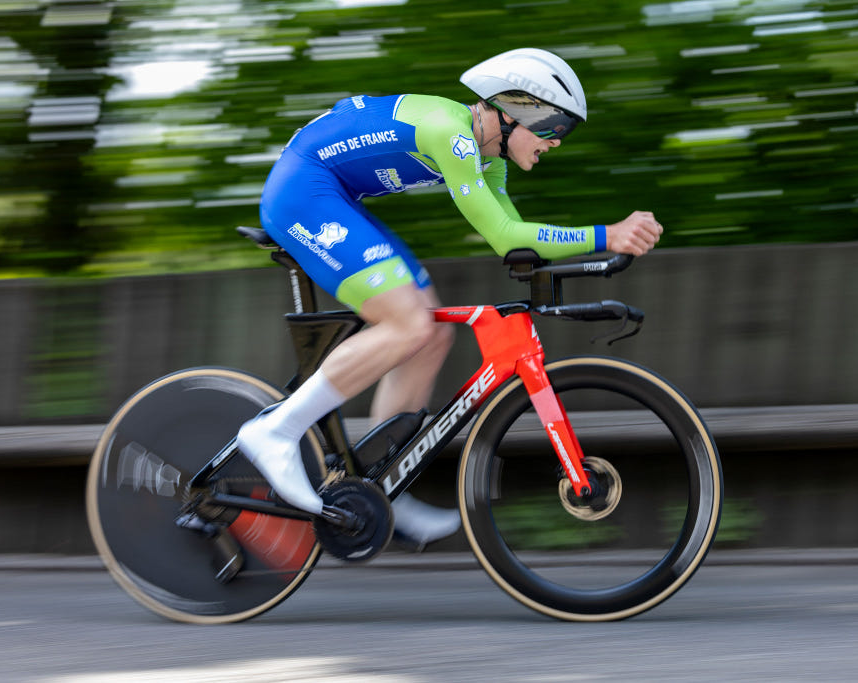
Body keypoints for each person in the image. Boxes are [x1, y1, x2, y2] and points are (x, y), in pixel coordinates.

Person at [236, 47, 664, 547]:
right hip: (302, 193)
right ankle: (276, 430)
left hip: (332, 195)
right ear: (514, 109)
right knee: (409, 323)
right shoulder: (452, 133)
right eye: (554, 127)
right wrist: (607, 234)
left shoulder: (489, 159)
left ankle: (382, 484)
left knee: (432, 334)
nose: (555, 142)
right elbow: (506, 236)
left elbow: (515, 241)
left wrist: (593, 253)